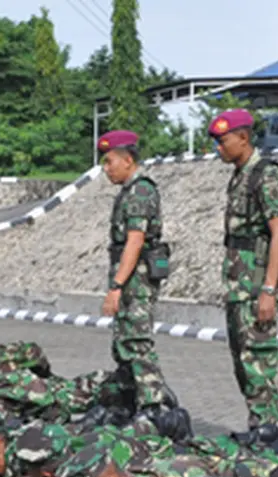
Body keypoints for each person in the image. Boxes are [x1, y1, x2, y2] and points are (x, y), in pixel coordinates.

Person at [97, 130, 185, 438]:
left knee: (136, 341)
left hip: (137, 280)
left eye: (110, 161)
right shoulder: (127, 191)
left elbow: (135, 242)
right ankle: (129, 401)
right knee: (123, 342)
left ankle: (154, 405)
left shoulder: (140, 192)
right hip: (128, 278)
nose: (106, 168)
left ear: (128, 159)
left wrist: (117, 286)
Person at [209, 109, 278, 445]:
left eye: (223, 141)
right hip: (237, 284)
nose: (219, 149)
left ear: (243, 137)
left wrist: (268, 289)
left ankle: (268, 428)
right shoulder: (240, 174)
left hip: (255, 284)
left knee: (258, 356)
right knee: (242, 358)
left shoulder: (264, 174)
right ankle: (257, 423)